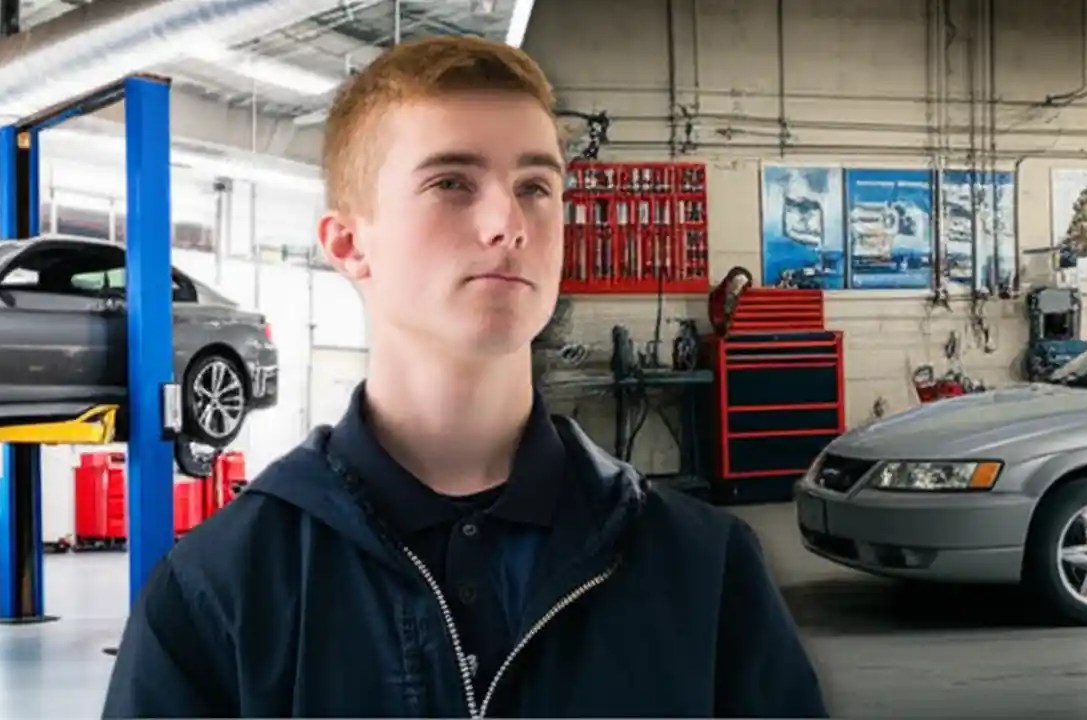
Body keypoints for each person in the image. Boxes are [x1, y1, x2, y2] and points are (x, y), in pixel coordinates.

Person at [102, 34, 827, 719]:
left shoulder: (702, 571)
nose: (507, 223)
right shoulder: (220, 593)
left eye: (536, 187)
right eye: (452, 182)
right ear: (351, 244)